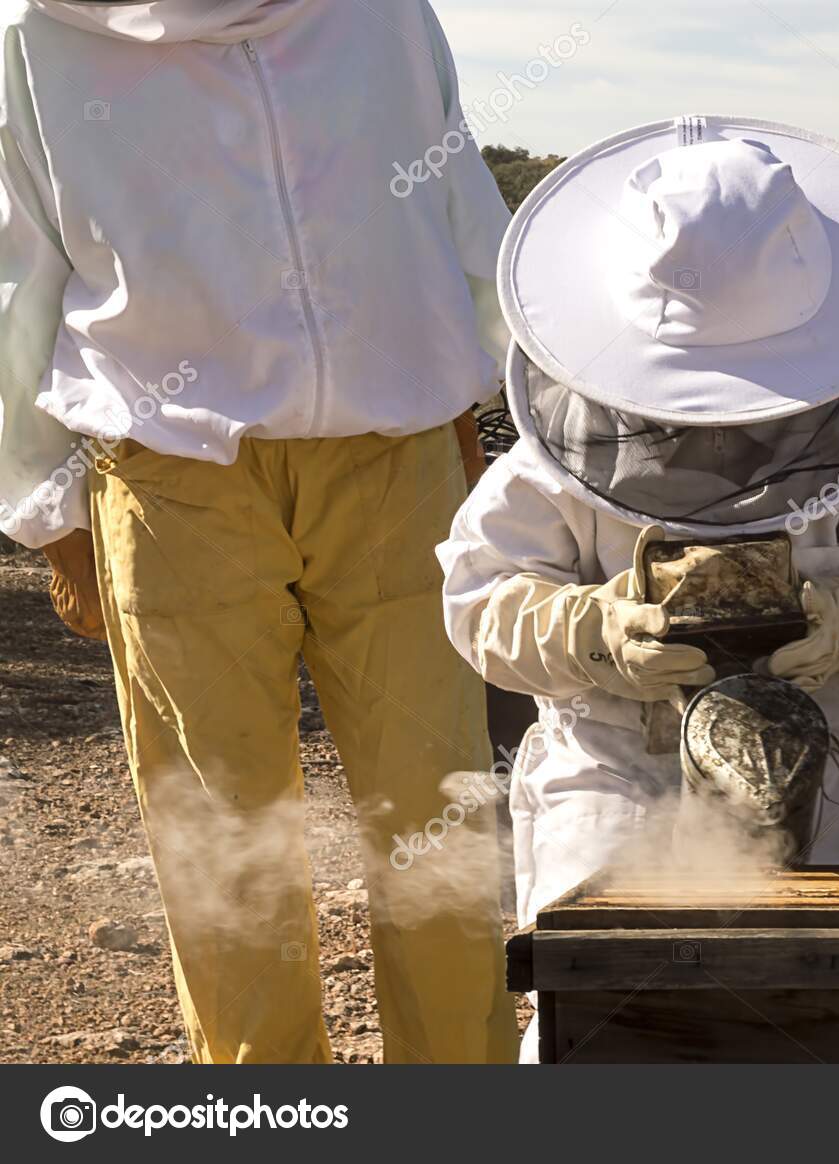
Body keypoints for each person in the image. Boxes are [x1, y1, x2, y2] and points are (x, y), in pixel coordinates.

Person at [0, 0, 517, 1062]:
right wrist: (47, 514)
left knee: (440, 818)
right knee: (222, 834)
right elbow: (20, 281)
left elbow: (455, 212)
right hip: (165, 475)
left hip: (396, 453)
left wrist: (471, 417)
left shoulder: (380, 17)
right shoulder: (39, 39)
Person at [437, 115, 839, 1061]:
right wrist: (589, 629)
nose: (728, 429)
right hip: (611, 778)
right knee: (609, 1041)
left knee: (810, 1042)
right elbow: (479, 595)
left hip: (812, 778)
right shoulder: (548, 466)